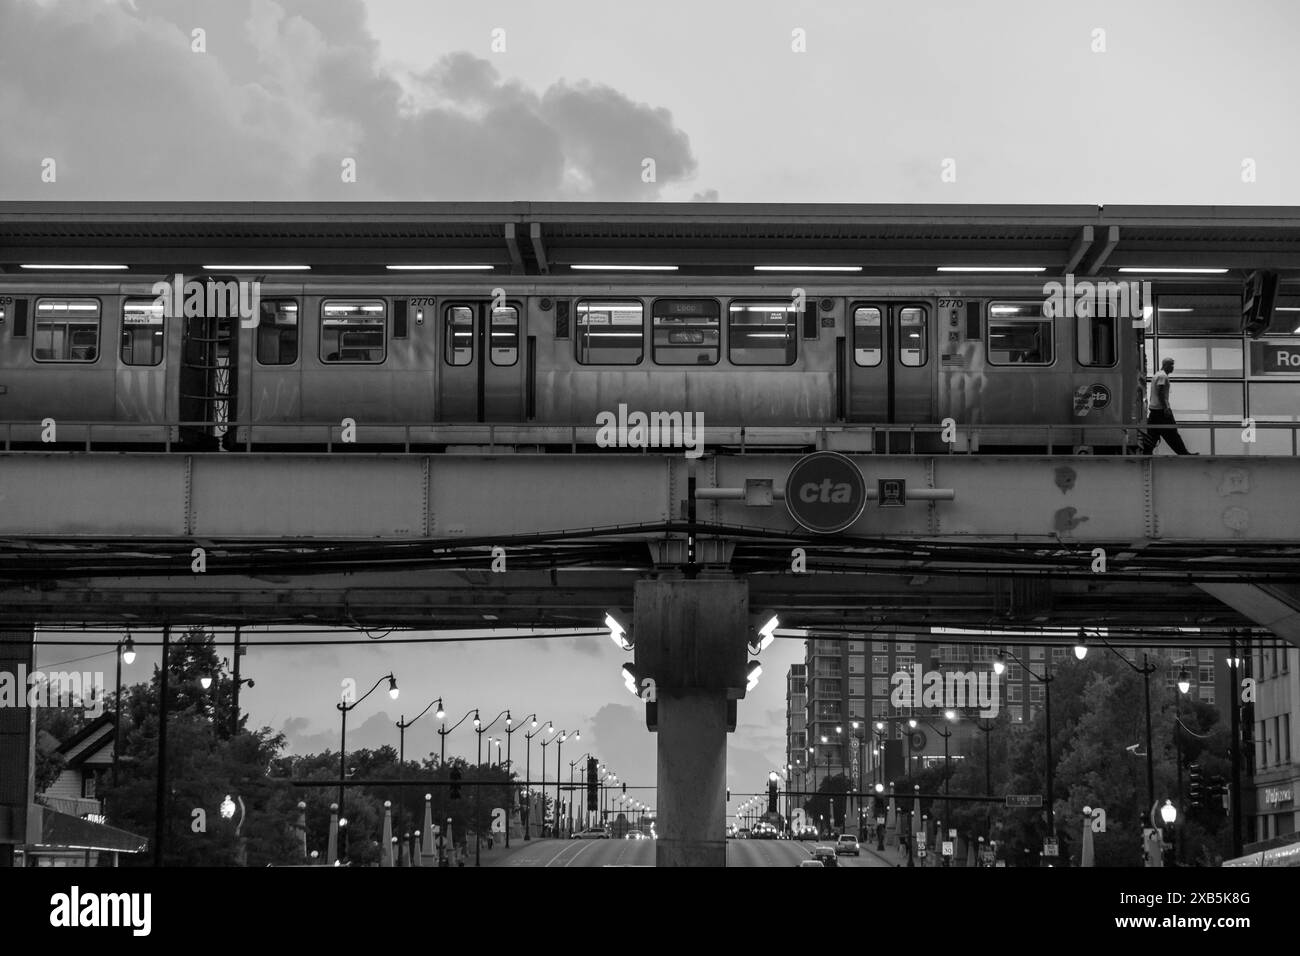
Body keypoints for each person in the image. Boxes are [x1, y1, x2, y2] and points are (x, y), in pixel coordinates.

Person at [1140, 357, 1194, 455]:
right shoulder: (1163, 376)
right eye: (1171, 365)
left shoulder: (1157, 374)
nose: (1173, 367)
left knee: (1153, 434)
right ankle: (1184, 453)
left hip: (1154, 410)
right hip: (1161, 411)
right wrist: (1166, 408)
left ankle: (1146, 454)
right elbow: (1161, 392)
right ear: (1166, 365)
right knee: (1172, 433)